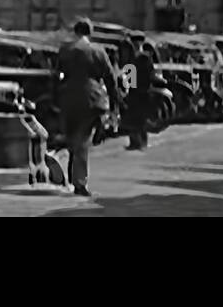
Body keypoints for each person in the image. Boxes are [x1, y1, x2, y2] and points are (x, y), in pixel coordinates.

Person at [56, 18, 119, 197]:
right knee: (82, 141)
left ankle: (72, 177)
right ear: (90, 32)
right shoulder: (98, 51)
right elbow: (110, 78)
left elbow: (56, 75)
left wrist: (55, 99)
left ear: (75, 32)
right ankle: (79, 182)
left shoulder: (65, 50)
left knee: (72, 139)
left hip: (68, 98)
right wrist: (115, 104)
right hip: (91, 98)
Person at [123, 32, 156, 151]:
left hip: (141, 91)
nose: (136, 44)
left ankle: (141, 142)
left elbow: (149, 75)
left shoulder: (142, 58)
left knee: (140, 118)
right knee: (134, 118)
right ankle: (136, 142)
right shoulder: (135, 57)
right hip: (137, 91)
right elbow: (128, 74)